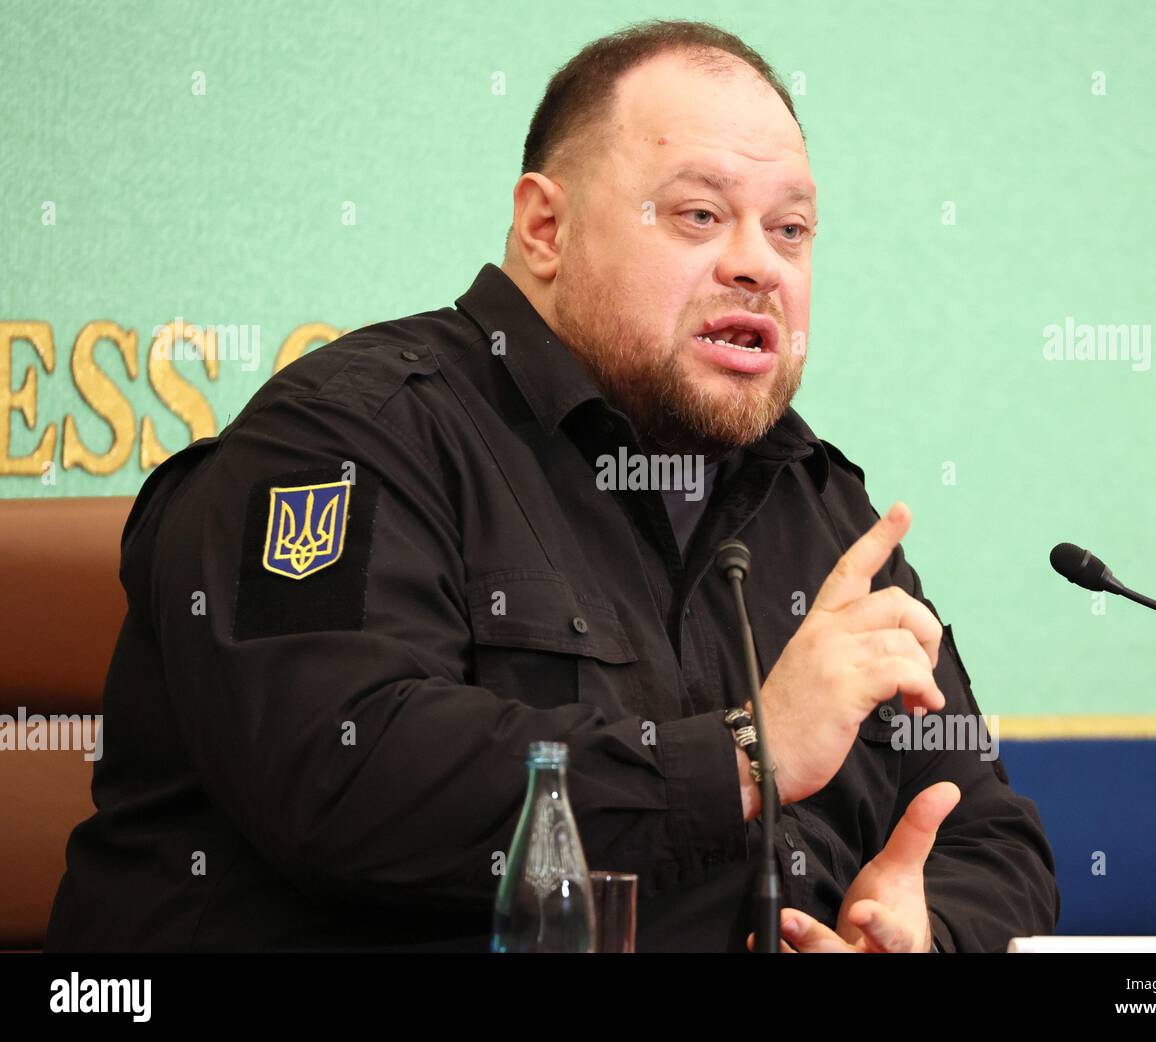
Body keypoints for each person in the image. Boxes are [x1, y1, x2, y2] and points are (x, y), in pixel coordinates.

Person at [45, 19, 1058, 953]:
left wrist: (921, 932)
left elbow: (992, 837)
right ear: (544, 229)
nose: (758, 264)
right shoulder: (348, 435)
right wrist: (745, 757)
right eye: (700, 214)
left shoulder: (819, 506)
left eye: (790, 230)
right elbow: (339, 775)